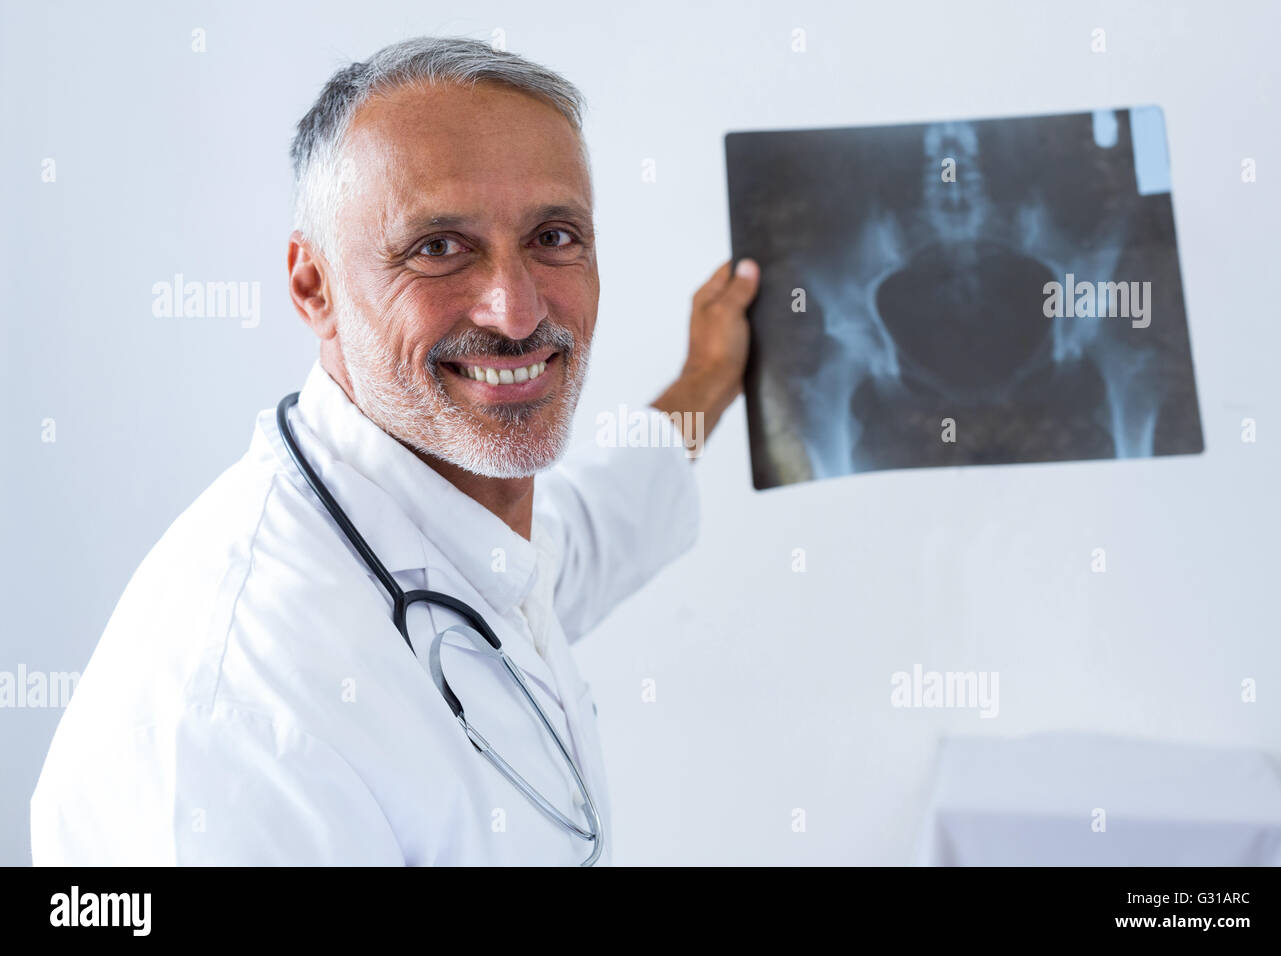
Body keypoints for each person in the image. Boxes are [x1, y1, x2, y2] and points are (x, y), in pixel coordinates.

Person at [30, 35, 759, 865]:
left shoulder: (465, 527)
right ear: (315, 287)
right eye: (439, 247)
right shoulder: (242, 709)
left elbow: (589, 534)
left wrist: (711, 379)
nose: (516, 313)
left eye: (553, 236)